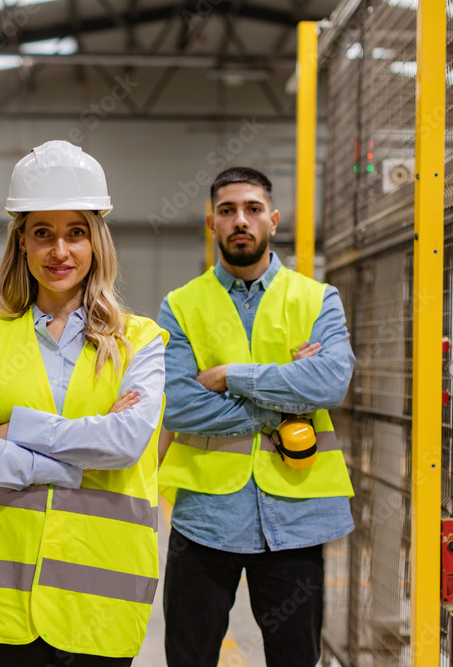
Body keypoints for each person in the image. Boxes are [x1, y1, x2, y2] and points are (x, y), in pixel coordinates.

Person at [0, 140, 167, 667]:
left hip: (100, 599)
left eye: (76, 232)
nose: (59, 251)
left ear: (97, 242)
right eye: (42, 233)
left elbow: (126, 442)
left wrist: (16, 427)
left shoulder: (142, 340)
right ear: (21, 243)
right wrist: (77, 462)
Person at [157, 167, 356, 667]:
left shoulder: (317, 298)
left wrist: (231, 376)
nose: (239, 220)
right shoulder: (181, 306)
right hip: (205, 516)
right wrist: (288, 390)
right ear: (212, 223)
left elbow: (331, 383)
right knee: (189, 656)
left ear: (273, 219)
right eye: (227, 211)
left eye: (251, 209)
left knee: (295, 658)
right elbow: (179, 404)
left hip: (298, 515)